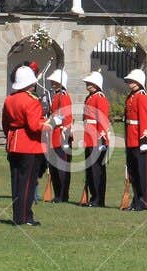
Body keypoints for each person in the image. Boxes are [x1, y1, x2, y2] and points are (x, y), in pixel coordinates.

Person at [1, 64, 46, 226]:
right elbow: (34, 126)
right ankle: (25, 216)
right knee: (28, 182)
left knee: (16, 182)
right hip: (29, 145)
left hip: (13, 143)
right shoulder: (31, 101)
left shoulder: (9, 99)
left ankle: (17, 215)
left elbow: (5, 124)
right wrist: (50, 123)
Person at [123, 68, 147, 211]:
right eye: (129, 81)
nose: (131, 83)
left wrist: (144, 140)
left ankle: (143, 202)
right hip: (130, 137)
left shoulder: (142, 96)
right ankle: (136, 201)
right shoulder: (131, 96)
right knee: (133, 172)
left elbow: (145, 119)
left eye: (133, 81)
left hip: (139, 139)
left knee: (142, 173)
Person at [80, 71, 112, 207]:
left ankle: (98, 199)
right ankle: (93, 196)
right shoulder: (89, 98)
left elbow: (103, 119)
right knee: (90, 169)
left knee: (96, 170)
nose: (88, 85)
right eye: (88, 83)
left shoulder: (100, 98)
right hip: (88, 136)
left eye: (91, 83)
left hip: (97, 138)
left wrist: (102, 138)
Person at [44, 69, 74, 203]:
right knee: (54, 167)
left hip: (61, 136)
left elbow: (67, 117)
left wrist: (66, 136)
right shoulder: (56, 95)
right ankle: (58, 194)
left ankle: (63, 195)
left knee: (62, 167)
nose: (52, 83)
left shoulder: (63, 96)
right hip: (53, 135)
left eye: (55, 81)